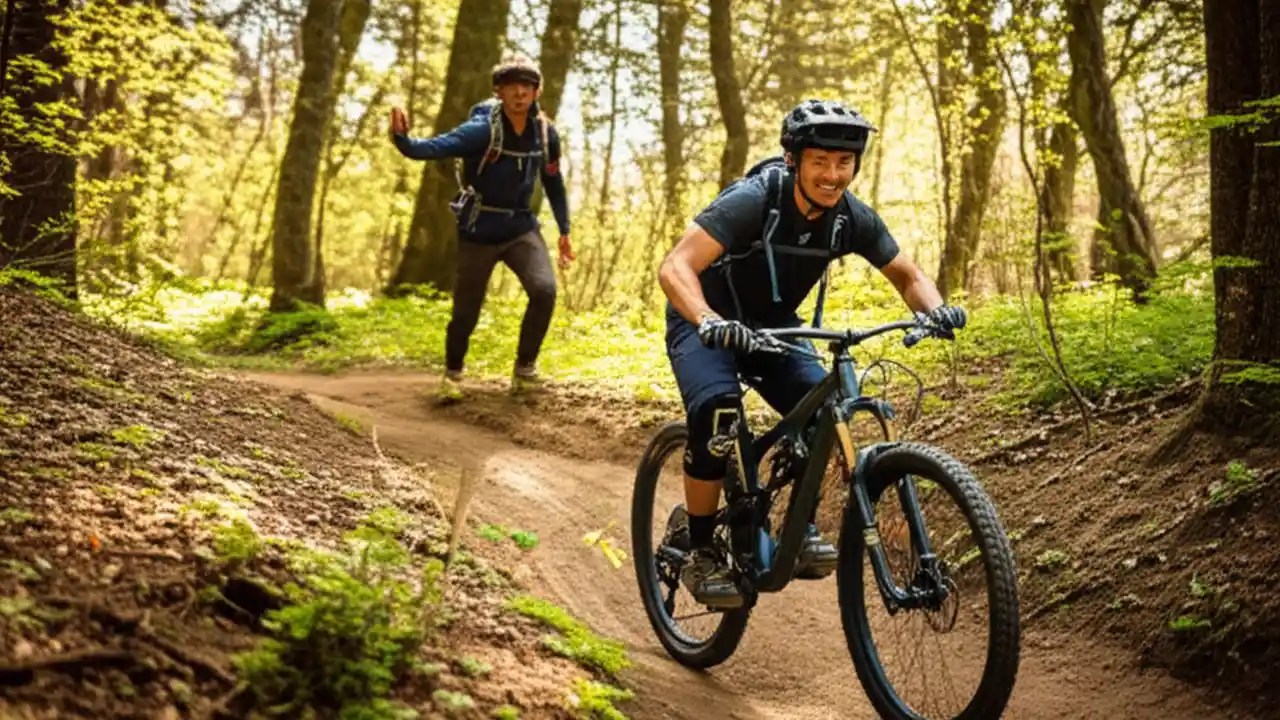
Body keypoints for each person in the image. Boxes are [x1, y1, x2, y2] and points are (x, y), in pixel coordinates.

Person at [657, 99, 967, 608]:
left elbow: (908, 275)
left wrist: (935, 311)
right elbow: (676, 267)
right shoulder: (754, 200)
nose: (832, 174)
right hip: (705, 322)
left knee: (827, 413)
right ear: (793, 160)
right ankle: (700, 547)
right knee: (716, 415)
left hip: (777, 329)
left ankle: (795, 528)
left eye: (843, 163)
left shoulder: (850, 219)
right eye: (820, 161)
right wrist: (709, 321)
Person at [389, 54, 574, 399]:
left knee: (544, 290)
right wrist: (403, 141)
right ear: (499, 92)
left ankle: (524, 370)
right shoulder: (482, 131)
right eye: (511, 87)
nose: (520, 93)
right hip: (479, 231)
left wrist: (564, 229)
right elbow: (432, 148)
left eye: (527, 86)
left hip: (520, 228)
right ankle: (453, 375)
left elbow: (553, 182)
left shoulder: (546, 135)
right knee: (466, 310)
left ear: (536, 92)